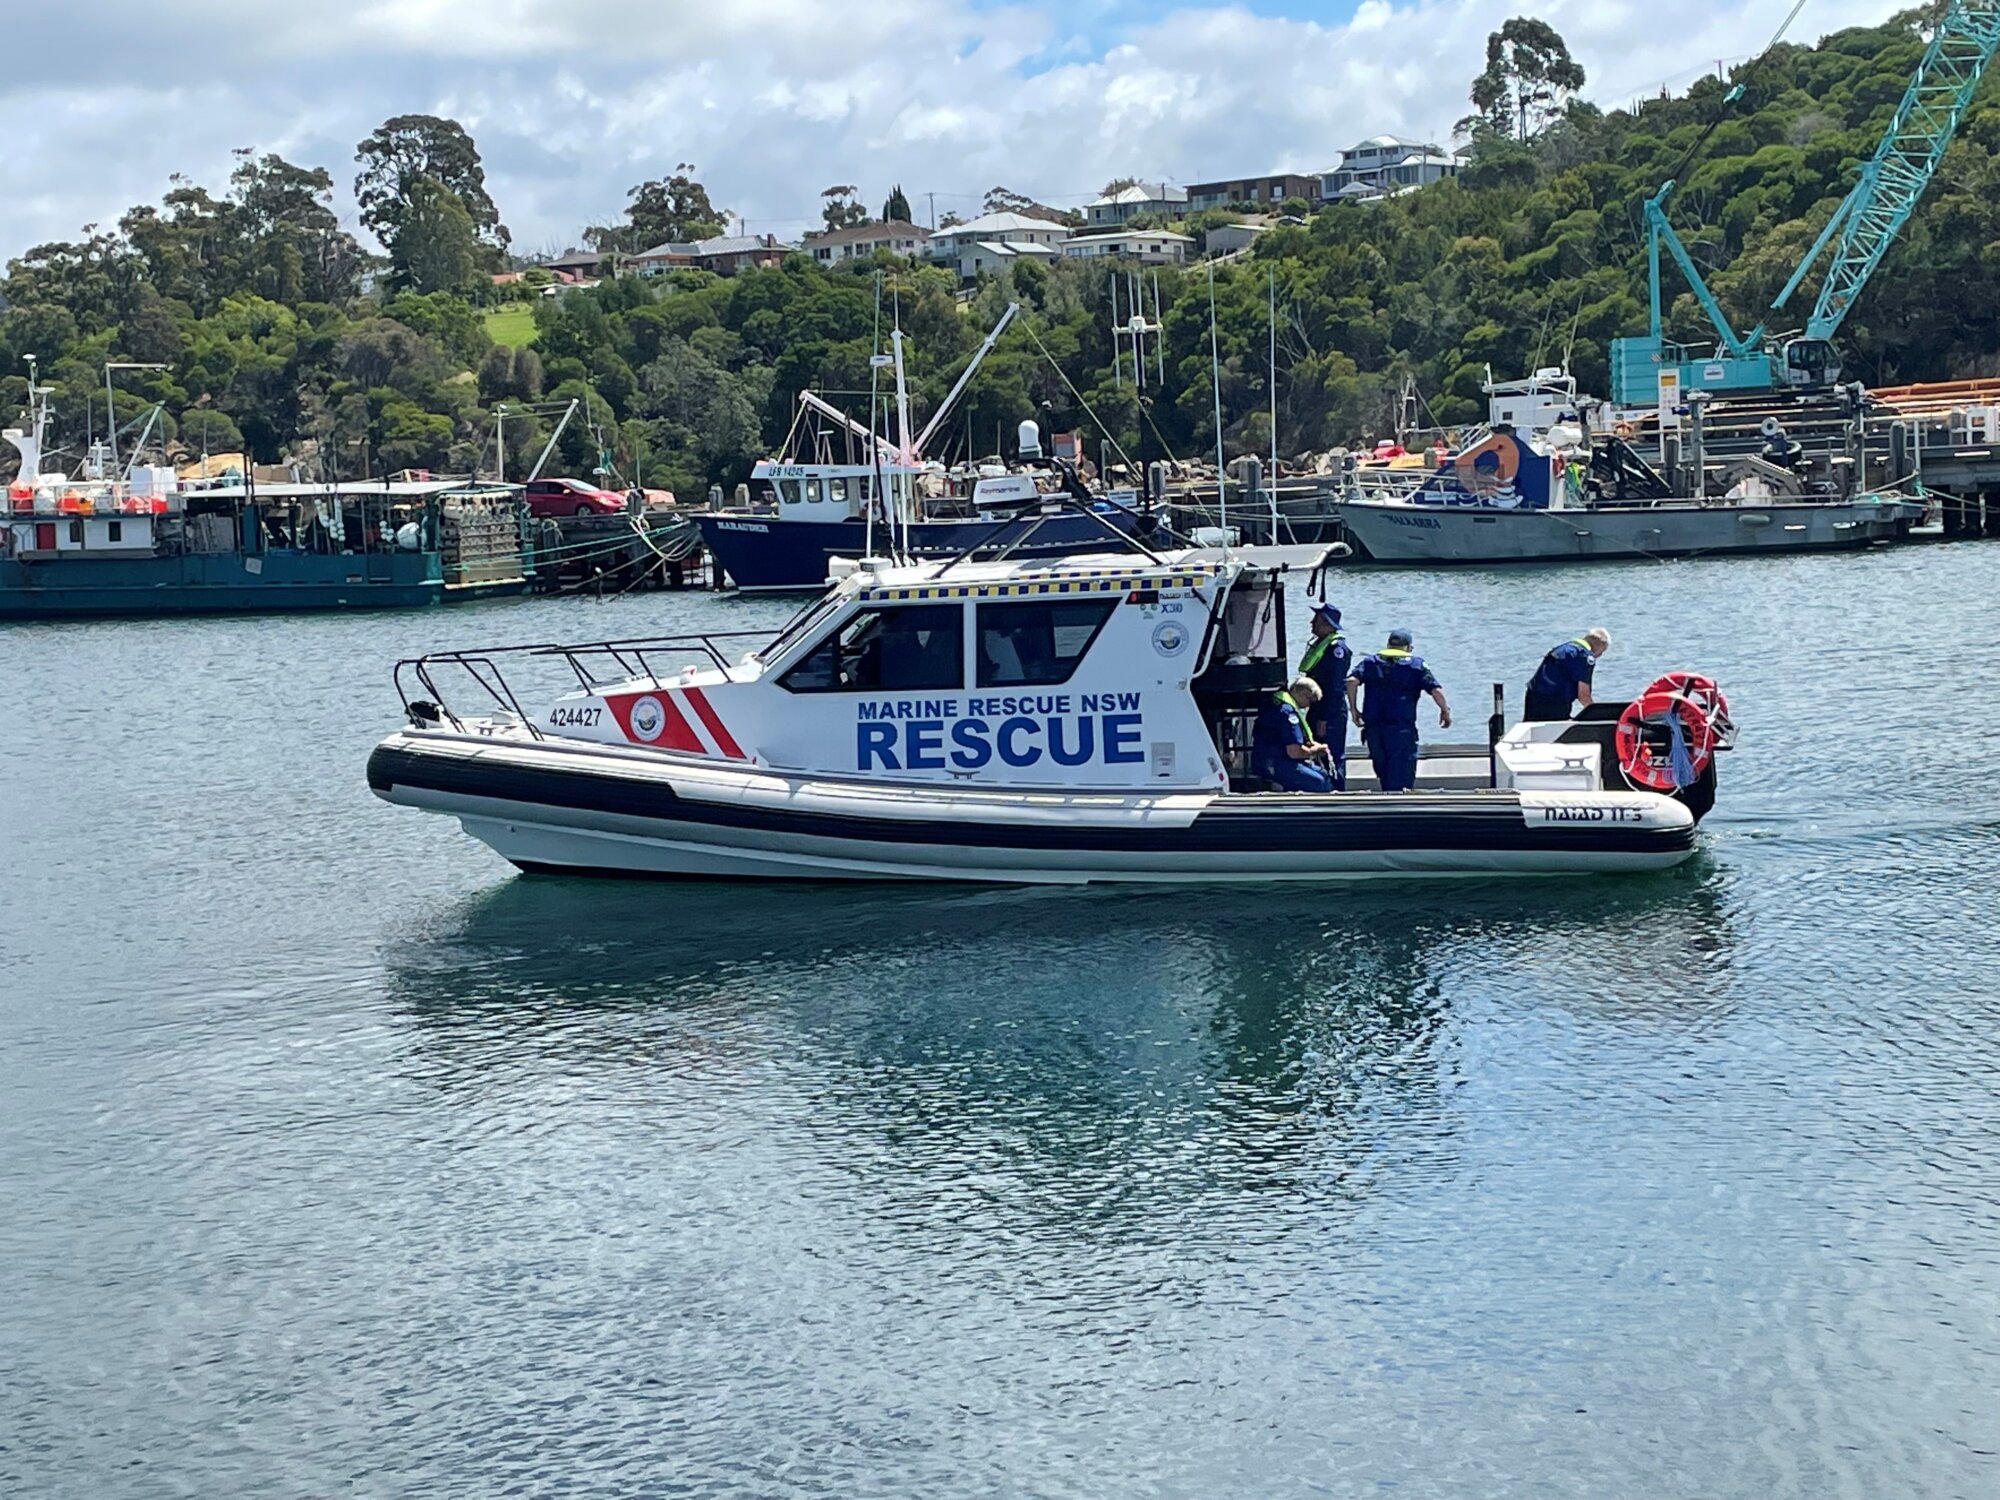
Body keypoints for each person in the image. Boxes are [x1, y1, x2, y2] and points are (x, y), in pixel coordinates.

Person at [1346, 628, 1451, 793]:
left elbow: (1351, 681)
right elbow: (1435, 690)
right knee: (1401, 778)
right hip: (1400, 729)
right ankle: (1399, 810)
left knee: (1384, 773)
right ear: (1408, 648)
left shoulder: (1370, 662)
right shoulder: (1416, 665)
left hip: (1374, 729)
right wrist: (1445, 710)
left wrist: (1353, 710)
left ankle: (1386, 805)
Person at [1298, 603, 1352, 790]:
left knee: (1332, 754)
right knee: (1317, 752)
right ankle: (1323, 789)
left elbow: (1335, 688)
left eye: (1317, 620)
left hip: (1331, 712)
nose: (1312, 623)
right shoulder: (1321, 646)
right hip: (1317, 708)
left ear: (1327, 623)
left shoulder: (1336, 649)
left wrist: (1324, 718)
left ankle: (1337, 791)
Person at [1251, 677, 1332, 793]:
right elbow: (1294, 752)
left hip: (1267, 760)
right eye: (1310, 701)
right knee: (1319, 783)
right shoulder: (1287, 713)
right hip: (1275, 763)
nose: (1308, 706)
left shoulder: (1276, 703)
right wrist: (1316, 751)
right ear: (1303, 695)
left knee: (1324, 775)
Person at [1523, 627, 1610, 721]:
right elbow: (1584, 696)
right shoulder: (1584, 656)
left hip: (1534, 695)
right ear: (1598, 646)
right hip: (1555, 702)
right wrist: (1597, 716)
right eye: (1602, 652)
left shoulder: (1563, 648)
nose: (1600, 656)